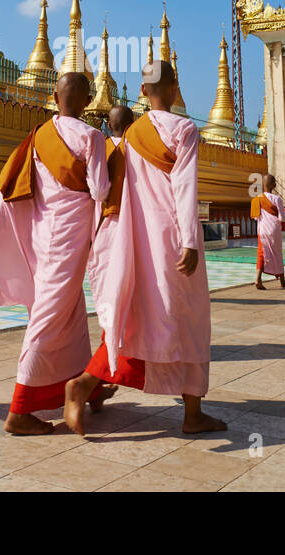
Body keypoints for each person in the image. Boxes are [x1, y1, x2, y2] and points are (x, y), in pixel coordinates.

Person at [65, 60, 224, 436]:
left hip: (137, 241)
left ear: (141, 92)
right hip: (172, 239)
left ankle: (91, 385)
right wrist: (189, 240)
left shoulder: (130, 134)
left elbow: (111, 192)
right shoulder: (185, 128)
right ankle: (189, 410)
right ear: (175, 88)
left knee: (140, 320)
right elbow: (185, 188)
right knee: (190, 319)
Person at [0, 72, 112, 435]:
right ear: (88, 102)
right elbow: (101, 191)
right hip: (70, 240)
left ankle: (89, 388)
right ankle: (19, 411)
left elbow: (19, 190)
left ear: (55, 96)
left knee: (70, 315)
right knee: (49, 315)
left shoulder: (39, 136)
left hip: (43, 237)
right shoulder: (92, 137)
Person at [253, 175, 285, 290]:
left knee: (261, 253)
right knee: (278, 253)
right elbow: (281, 217)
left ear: (262, 185)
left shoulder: (256, 198)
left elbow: (255, 217)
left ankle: (258, 279)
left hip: (262, 230)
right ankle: (282, 280)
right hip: (274, 230)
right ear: (274, 186)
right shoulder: (277, 199)